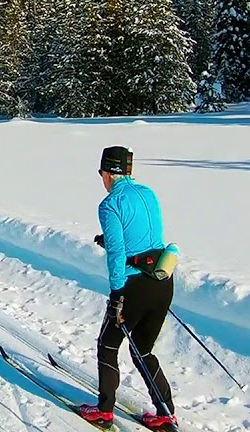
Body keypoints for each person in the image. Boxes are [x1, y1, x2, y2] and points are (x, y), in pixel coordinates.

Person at [76, 145, 178, 431]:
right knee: (143, 350)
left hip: (133, 285)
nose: (102, 178)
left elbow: (118, 254)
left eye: (101, 173)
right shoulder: (148, 193)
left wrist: (116, 293)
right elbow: (144, 236)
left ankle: (104, 411)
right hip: (162, 280)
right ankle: (165, 413)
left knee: (108, 345)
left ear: (107, 172)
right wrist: (107, 239)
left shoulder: (109, 204)